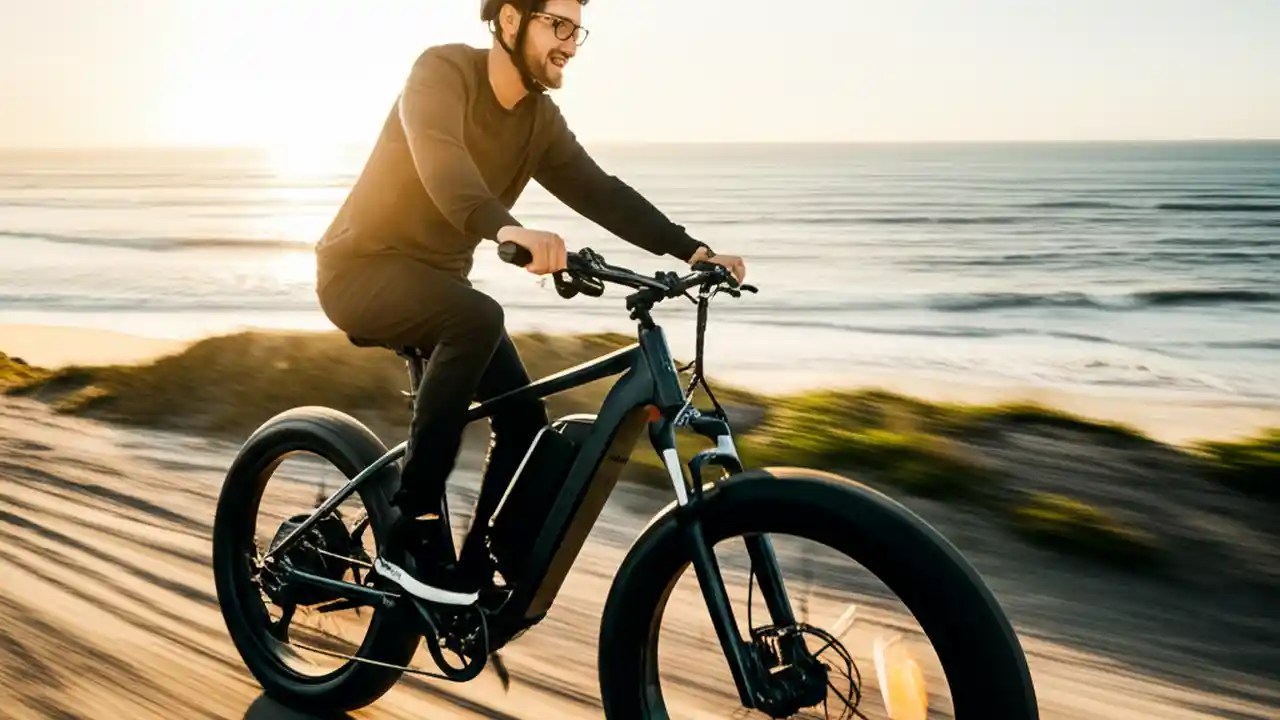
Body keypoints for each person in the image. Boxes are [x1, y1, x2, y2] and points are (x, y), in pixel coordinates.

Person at [313, 0, 747, 602]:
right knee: (478, 317)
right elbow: (443, 162)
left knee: (524, 423)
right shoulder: (440, 74)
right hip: (359, 273)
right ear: (511, 20)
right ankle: (408, 535)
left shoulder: (539, 121)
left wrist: (691, 250)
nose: (570, 43)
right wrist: (503, 228)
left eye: (577, 30)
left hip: (439, 289)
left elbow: (601, 191)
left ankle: (470, 572)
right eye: (558, 26)